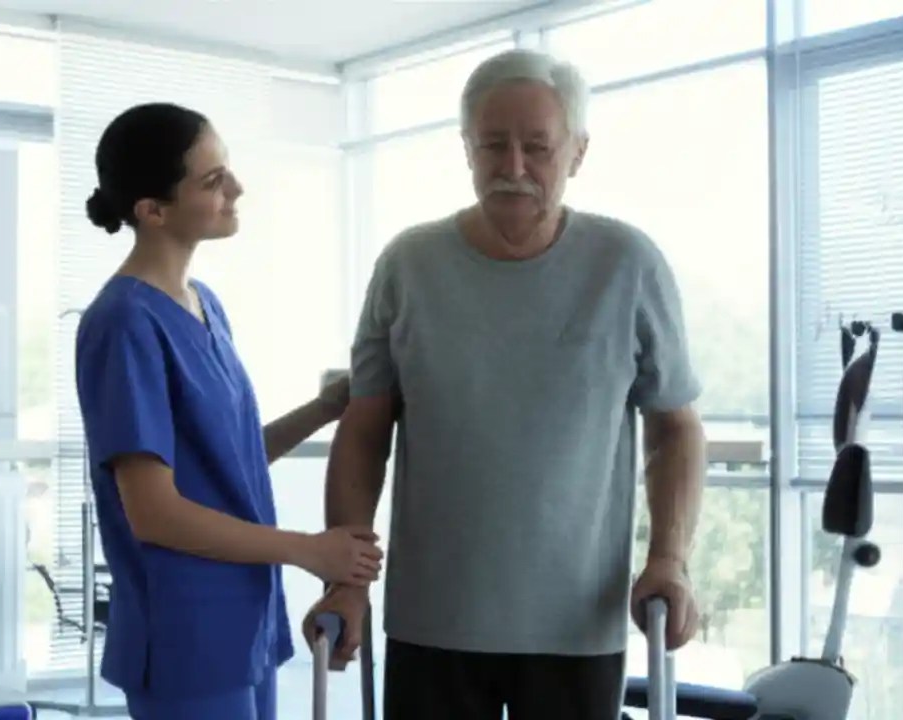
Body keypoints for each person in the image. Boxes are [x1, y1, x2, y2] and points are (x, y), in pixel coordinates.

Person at [303, 48, 707, 719]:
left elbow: (675, 428)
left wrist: (670, 557)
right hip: (433, 620)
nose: (512, 167)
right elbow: (366, 426)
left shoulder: (627, 264)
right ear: (466, 148)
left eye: (537, 147)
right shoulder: (409, 264)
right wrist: (345, 581)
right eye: (492, 145)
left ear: (577, 152)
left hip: (576, 624)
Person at [73, 102, 384, 720]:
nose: (236, 188)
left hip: (244, 622)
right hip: (185, 633)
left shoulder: (203, 304)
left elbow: (225, 463)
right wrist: (306, 549)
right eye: (213, 181)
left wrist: (323, 409)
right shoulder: (124, 323)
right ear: (152, 211)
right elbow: (155, 512)